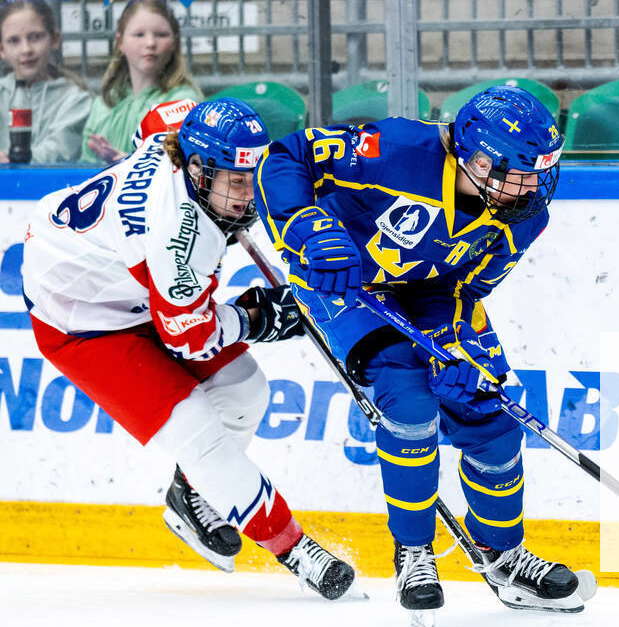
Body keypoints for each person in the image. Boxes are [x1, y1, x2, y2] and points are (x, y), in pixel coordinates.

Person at [255, 86, 583, 613]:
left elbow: (466, 289)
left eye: (539, 171)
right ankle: (413, 551)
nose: (530, 187)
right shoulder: (395, 149)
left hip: (431, 295)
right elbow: (287, 155)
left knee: (490, 415)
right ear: (475, 157)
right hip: (344, 284)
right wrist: (308, 229)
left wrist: (455, 348)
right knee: (408, 403)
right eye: (517, 173)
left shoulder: (525, 214)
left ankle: (504, 556)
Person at [22, 98, 354, 600]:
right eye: (234, 183)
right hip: (80, 318)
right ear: (196, 170)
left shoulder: (183, 138)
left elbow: (155, 118)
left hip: (122, 279)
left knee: (245, 391)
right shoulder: (177, 242)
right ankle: (292, 547)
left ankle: (191, 495)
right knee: (197, 431)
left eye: (251, 176)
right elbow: (189, 337)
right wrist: (256, 318)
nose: (247, 193)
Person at [80, 0, 201, 164]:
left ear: (175, 42)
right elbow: (84, 163)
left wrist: (126, 162)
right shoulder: (104, 102)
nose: (150, 43)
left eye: (161, 34)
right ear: (120, 42)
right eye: (139, 34)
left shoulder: (183, 102)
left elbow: (185, 168)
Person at [0, 0, 91, 163]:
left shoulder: (76, 100)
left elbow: (59, 152)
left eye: (35, 37)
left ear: (55, 39)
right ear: (2, 50)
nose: (26, 49)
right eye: (14, 41)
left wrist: (10, 160)